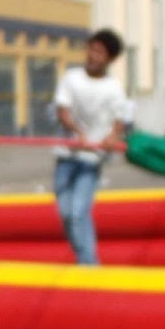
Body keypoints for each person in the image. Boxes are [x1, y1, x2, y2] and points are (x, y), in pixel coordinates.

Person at [53, 30, 133, 266]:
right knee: (66, 214)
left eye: (99, 52)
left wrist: (112, 137)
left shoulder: (114, 88)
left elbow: (120, 120)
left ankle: (89, 267)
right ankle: (85, 259)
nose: (93, 55)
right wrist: (78, 133)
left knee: (78, 212)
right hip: (66, 154)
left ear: (109, 59)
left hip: (92, 159)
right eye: (91, 49)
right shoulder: (71, 78)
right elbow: (62, 111)